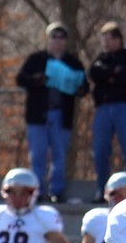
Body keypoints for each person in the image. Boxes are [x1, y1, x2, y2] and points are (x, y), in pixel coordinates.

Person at [16, 22, 86, 204]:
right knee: (37, 154)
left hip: (61, 115)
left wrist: (78, 87)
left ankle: (57, 191)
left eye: (61, 37)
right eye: (54, 36)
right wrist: (37, 79)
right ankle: (37, 191)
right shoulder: (36, 59)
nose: (57, 40)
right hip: (38, 115)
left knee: (59, 155)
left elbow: (84, 87)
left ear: (66, 41)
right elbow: (20, 79)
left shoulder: (73, 62)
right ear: (48, 39)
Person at [88, 22, 126, 184]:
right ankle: (102, 187)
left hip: (125, 107)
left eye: (108, 38)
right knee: (100, 150)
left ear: (118, 39)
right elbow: (94, 73)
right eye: (103, 38)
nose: (105, 42)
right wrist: (113, 73)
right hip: (103, 108)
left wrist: (110, 75)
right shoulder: (101, 58)